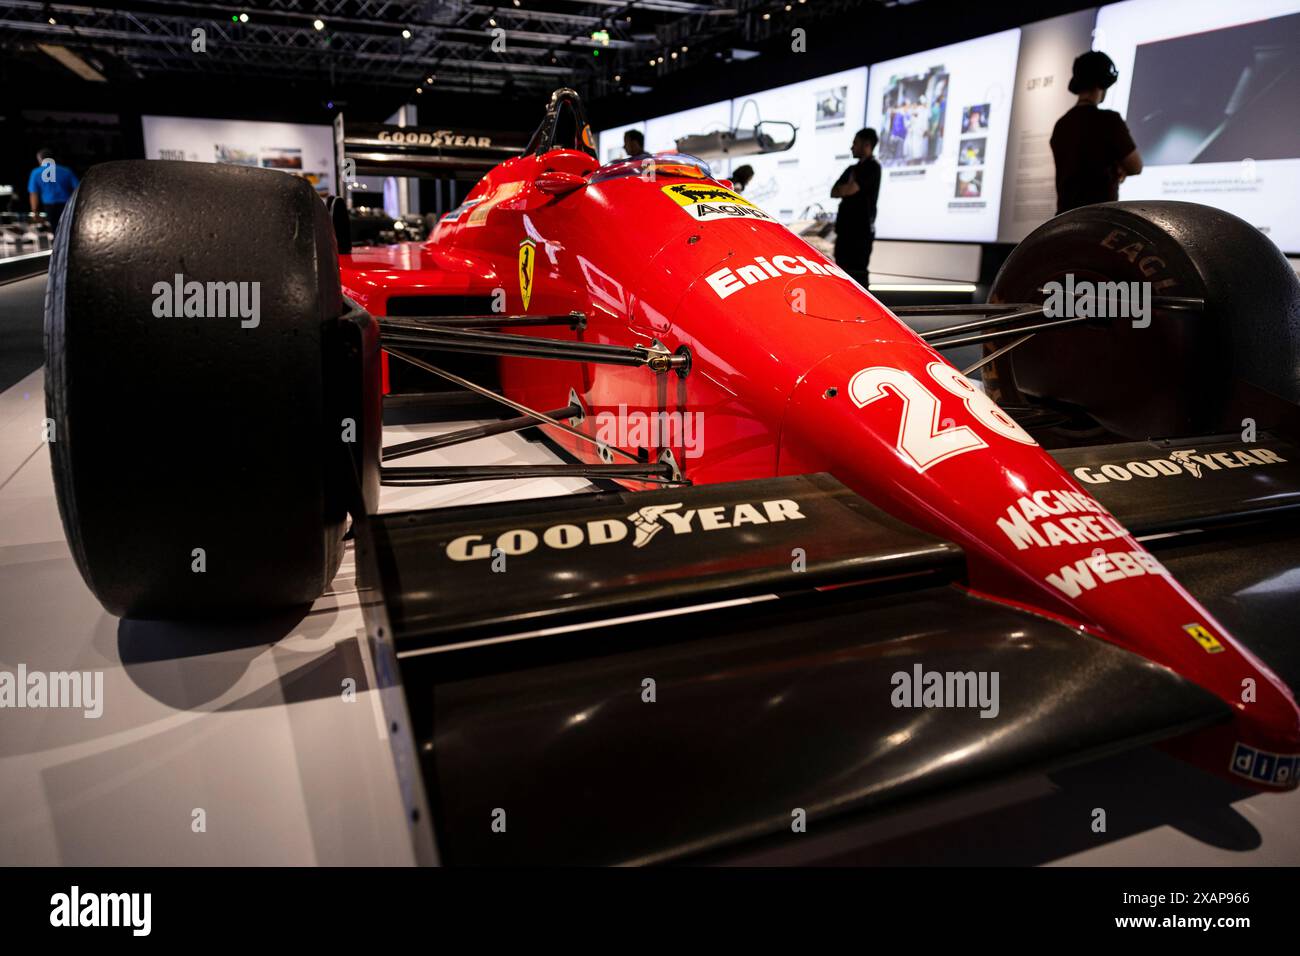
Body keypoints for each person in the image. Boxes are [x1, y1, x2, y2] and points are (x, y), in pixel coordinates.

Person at [1050, 51, 1143, 214]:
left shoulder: (1061, 125)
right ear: (1103, 82)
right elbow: (1135, 166)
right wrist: (1120, 166)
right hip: (1098, 222)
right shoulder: (1109, 121)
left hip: (1064, 222)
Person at [830, 128, 881, 288]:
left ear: (867, 145)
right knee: (842, 276)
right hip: (845, 233)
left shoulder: (873, 167)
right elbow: (834, 191)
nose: (852, 147)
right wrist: (847, 187)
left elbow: (848, 190)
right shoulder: (851, 169)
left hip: (860, 234)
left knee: (858, 279)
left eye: (855, 143)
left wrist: (846, 188)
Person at [28, 148, 80, 231]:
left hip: (49, 206)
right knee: (66, 229)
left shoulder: (36, 173)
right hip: (66, 204)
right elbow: (78, 188)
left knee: (54, 229)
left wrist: (34, 211)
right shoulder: (66, 171)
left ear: (40, 159)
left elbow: (34, 193)